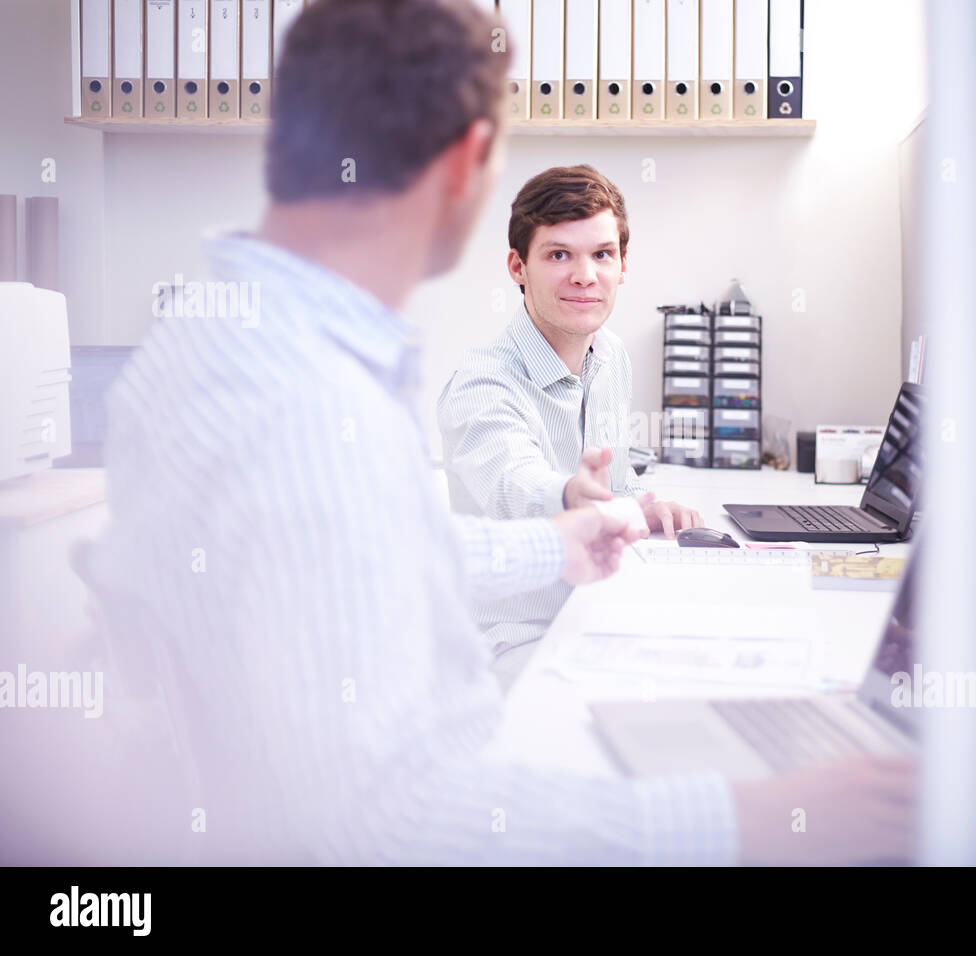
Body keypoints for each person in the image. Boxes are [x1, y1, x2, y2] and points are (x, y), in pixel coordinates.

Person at [81, 0, 915, 865]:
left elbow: (354, 551)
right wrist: (752, 823)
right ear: (471, 159)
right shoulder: (306, 401)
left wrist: (554, 545)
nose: (583, 274)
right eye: (559, 254)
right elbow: (390, 819)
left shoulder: (215, 338)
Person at [437, 164, 702, 672]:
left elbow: (614, 487)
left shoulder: (611, 358)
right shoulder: (482, 384)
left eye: (602, 254)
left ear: (623, 264)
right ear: (517, 267)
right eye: (559, 254)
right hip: (514, 644)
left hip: (599, 613)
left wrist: (641, 508)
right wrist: (569, 497)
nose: (585, 275)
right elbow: (512, 480)